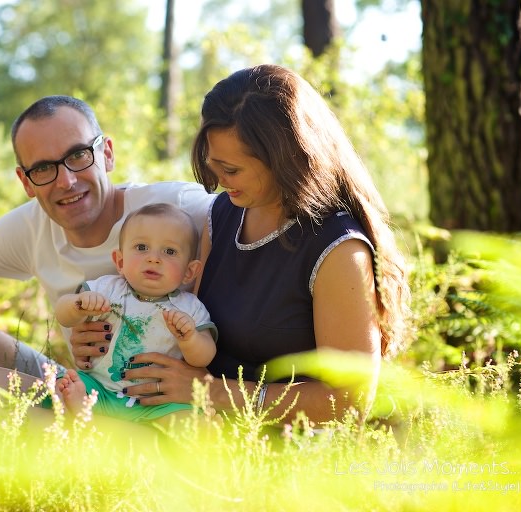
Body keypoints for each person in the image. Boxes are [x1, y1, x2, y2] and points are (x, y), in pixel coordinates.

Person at [70, 64, 411, 424]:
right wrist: (106, 339)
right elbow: (179, 317)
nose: (219, 181)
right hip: (170, 415)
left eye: (231, 170)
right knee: (23, 389)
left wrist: (211, 392)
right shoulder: (222, 215)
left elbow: (349, 402)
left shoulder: (338, 249)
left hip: (270, 443)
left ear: (285, 159)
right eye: (213, 165)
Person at [0, 95, 214, 382]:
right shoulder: (30, 227)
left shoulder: (180, 209)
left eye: (78, 155)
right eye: (43, 168)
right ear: (26, 182)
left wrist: (207, 383)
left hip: (181, 404)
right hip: (89, 397)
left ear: (106, 154)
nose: (66, 182)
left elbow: (250, 225)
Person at [53, 203, 217, 422]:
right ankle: (81, 404)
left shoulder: (189, 308)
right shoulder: (106, 289)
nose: (153, 258)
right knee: (63, 384)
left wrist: (190, 339)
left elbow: (206, 355)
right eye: (141, 247)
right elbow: (62, 315)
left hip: (157, 401)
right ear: (120, 261)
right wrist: (77, 305)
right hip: (100, 387)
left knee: (189, 416)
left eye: (169, 251)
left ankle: (189, 428)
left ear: (189, 271)